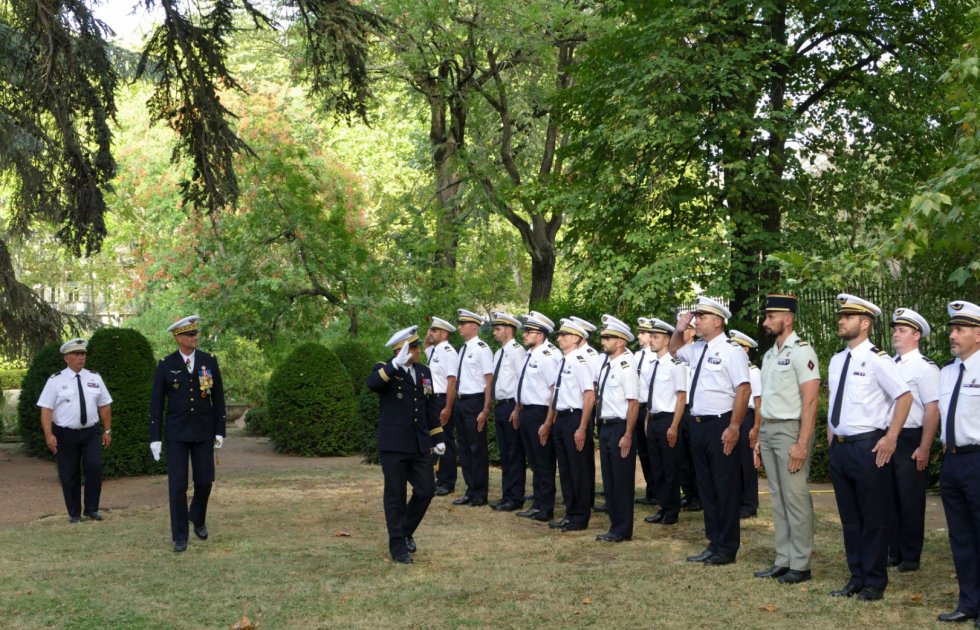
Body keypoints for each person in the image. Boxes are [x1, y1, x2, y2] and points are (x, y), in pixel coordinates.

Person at [825, 294, 911, 601]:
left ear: (864, 323)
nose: (841, 321)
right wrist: (831, 436)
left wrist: (891, 437)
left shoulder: (878, 359)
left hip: (867, 447)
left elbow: (904, 397)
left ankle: (875, 581)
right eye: (841, 316)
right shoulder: (837, 360)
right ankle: (857, 576)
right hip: (841, 448)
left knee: (873, 517)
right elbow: (835, 401)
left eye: (847, 317)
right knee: (850, 518)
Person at [670, 297, 750, 565]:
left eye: (702, 317)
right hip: (698, 425)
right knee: (706, 487)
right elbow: (674, 350)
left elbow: (743, 389)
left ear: (717, 321)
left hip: (720, 424)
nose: (696, 321)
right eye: (696, 317)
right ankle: (713, 542)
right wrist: (679, 329)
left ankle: (727, 547)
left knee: (724, 487)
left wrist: (734, 427)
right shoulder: (697, 348)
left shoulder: (732, 351)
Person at [752, 294, 820, 585]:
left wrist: (802, 442)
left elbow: (811, 401)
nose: (765, 322)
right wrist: (759, 435)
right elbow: (767, 399)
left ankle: (801, 564)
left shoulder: (802, 352)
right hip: (770, 429)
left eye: (771, 317)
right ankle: (783, 559)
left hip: (790, 431)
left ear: (788, 319)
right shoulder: (770, 355)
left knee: (795, 498)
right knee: (778, 498)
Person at [366, 325, 447, 564]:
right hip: (394, 444)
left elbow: (430, 406)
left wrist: (438, 437)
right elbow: (373, 384)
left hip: (419, 443)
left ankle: (404, 531)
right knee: (395, 496)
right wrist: (394, 365)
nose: (418, 350)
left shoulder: (423, 371)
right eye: (412, 347)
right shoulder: (384, 369)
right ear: (400, 350)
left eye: (417, 346)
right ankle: (398, 548)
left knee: (426, 490)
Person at [149, 315, 227, 552]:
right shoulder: (166, 364)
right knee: (177, 485)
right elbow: (156, 404)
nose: (196, 337)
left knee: (205, 481)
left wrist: (220, 429)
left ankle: (197, 516)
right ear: (179, 338)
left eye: (196, 333)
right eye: (191, 334)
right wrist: (155, 437)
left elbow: (218, 397)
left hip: (203, 430)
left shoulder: (208, 361)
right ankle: (179, 535)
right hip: (177, 433)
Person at [935, 300, 980, 624]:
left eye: (960, 329)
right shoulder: (947, 372)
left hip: (977, 460)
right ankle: (969, 602)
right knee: (961, 536)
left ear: (978, 334)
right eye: (952, 328)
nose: (952, 334)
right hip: (951, 461)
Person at [37, 338, 113, 523]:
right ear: (67, 358)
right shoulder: (56, 380)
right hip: (65, 434)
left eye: (83, 354)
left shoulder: (94, 378)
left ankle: (91, 509)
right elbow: (46, 409)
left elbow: (104, 405)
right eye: (77, 354)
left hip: (91, 433)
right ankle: (74, 513)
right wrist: (49, 435)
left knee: (94, 467)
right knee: (69, 473)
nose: (81, 358)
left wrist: (107, 430)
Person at [887, 307, 940, 573]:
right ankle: (894, 550)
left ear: (916, 335)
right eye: (895, 329)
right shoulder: (888, 364)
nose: (896, 334)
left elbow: (932, 409)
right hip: (888, 436)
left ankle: (910, 554)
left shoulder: (924, 368)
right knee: (890, 497)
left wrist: (924, 446)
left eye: (902, 330)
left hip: (911, 438)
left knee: (910, 499)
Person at [539, 318, 596, 532]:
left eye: (564, 335)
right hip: (561, 418)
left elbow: (589, 396)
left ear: (576, 338)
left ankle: (580, 516)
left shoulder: (580, 361)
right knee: (565, 469)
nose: (560, 338)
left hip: (574, 417)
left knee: (577, 468)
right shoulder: (562, 362)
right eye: (560, 334)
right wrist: (549, 421)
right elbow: (556, 394)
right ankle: (570, 513)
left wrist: (582, 427)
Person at [594, 315, 640, 542]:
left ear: (621, 341)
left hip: (620, 427)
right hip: (605, 426)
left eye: (608, 338)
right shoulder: (606, 366)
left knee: (621, 480)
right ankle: (615, 526)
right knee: (609, 480)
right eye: (603, 337)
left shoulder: (626, 367)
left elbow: (633, 403)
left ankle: (622, 529)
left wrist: (628, 434)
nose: (603, 341)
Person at [513, 313, 560, 522]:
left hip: (540, 412)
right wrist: (517, 409)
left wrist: (548, 421)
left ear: (540, 335)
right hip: (527, 411)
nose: (524, 335)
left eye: (528, 332)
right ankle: (538, 503)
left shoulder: (548, 356)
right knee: (533, 460)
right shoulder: (530, 354)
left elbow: (553, 391)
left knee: (543, 461)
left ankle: (546, 507)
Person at [641, 318, 688, 526]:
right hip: (654, 419)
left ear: (667, 340)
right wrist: (647, 419)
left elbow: (681, 397)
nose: (651, 340)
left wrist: (674, 426)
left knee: (670, 468)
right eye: (651, 337)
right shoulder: (652, 365)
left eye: (656, 337)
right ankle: (662, 506)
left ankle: (672, 510)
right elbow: (652, 396)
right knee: (657, 467)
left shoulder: (675, 365)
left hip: (669, 419)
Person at [452, 309, 494, 507]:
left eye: (463, 324)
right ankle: (470, 490)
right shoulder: (463, 349)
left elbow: (489, 380)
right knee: (464, 448)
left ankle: (480, 493)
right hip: (461, 401)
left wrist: (485, 409)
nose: (459, 327)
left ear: (474, 326)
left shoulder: (482, 348)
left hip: (475, 401)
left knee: (477, 448)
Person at [489, 312, 528, 511]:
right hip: (500, 406)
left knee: (514, 453)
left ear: (509, 330)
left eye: (498, 329)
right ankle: (507, 495)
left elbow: (522, 381)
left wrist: (517, 408)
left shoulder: (517, 351)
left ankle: (516, 497)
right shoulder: (499, 353)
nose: (494, 333)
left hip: (512, 405)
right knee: (505, 454)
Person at [424, 317, 459, 496]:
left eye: (434, 330)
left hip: (442, 400)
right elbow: (425, 345)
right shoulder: (435, 351)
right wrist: (429, 334)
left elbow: (452, 381)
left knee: (445, 440)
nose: (431, 333)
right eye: (431, 330)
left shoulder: (448, 352)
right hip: (432, 399)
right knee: (436, 440)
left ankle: (448, 482)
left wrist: (448, 407)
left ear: (444, 333)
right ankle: (440, 478)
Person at [728, 329, 761, 519]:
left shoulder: (753, 372)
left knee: (746, 462)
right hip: (732, 414)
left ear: (746, 349)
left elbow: (758, 402)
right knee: (733, 461)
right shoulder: (732, 367)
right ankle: (737, 500)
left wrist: (756, 428)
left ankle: (750, 504)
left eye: (738, 346)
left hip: (747, 416)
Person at [633, 318, 658, 507]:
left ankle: (658, 491)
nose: (639, 336)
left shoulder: (656, 356)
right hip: (637, 407)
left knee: (652, 452)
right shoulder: (636, 355)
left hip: (649, 408)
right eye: (639, 332)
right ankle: (651, 490)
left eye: (643, 333)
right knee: (642, 451)